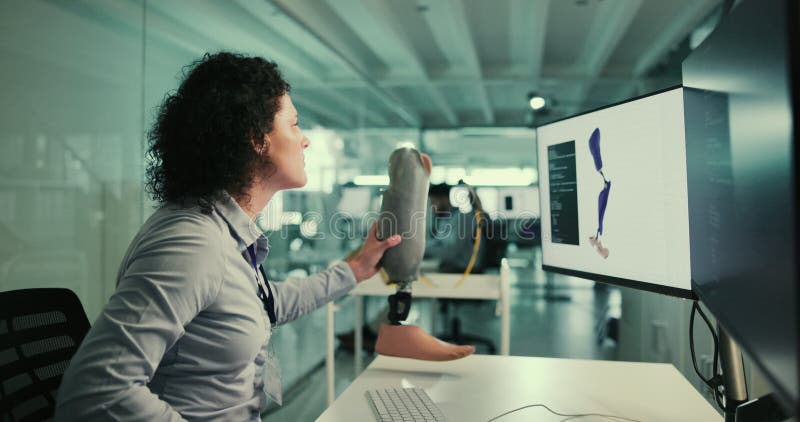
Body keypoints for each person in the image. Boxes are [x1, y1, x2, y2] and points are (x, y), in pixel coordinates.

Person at [55, 52, 401, 421]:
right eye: (294, 124)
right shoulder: (193, 244)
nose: (305, 141)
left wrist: (355, 270)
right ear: (257, 138)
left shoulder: (223, 232)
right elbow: (97, 393)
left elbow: (264, 303)